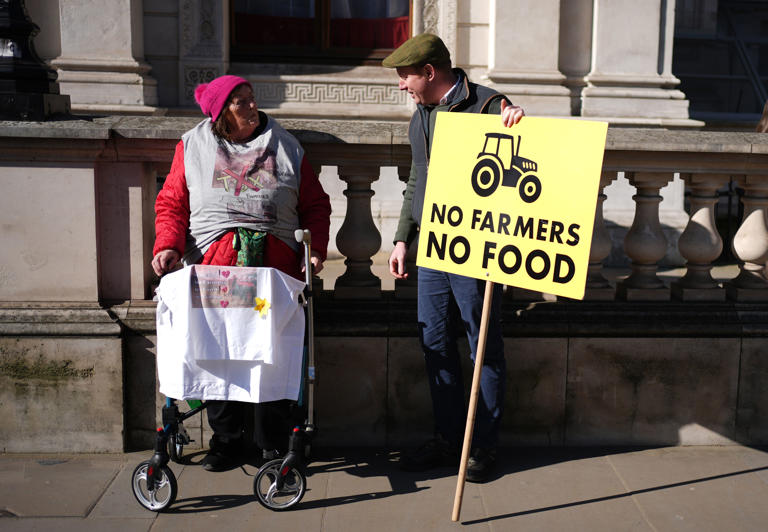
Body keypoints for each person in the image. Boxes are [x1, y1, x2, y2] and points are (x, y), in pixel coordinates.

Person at [152, 74, 331, 472]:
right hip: (215, 271)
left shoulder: (285, 145)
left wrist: (314, 249)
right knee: (218, 352)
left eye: (252, 99)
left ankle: (271, 442)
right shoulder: (193, 145)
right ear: (220, 115)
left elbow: (316, 204)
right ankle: (226, 441)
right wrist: (167, 245)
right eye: (240, 103)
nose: (252, 107)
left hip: (273, 273)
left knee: (272, 354)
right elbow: (172, 203)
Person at [383, 33, 524, 483]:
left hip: (474, 251)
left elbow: (523, 149)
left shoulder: (486, 106)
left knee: (483, 345)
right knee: (435, 343)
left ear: (429, 73)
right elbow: (415, 184)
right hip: (431, 250)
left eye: (405, 77)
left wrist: (517, 120)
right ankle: (449, 439)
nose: (401, 86)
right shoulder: (419, 117)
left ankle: (482, 446)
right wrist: (404, 238)